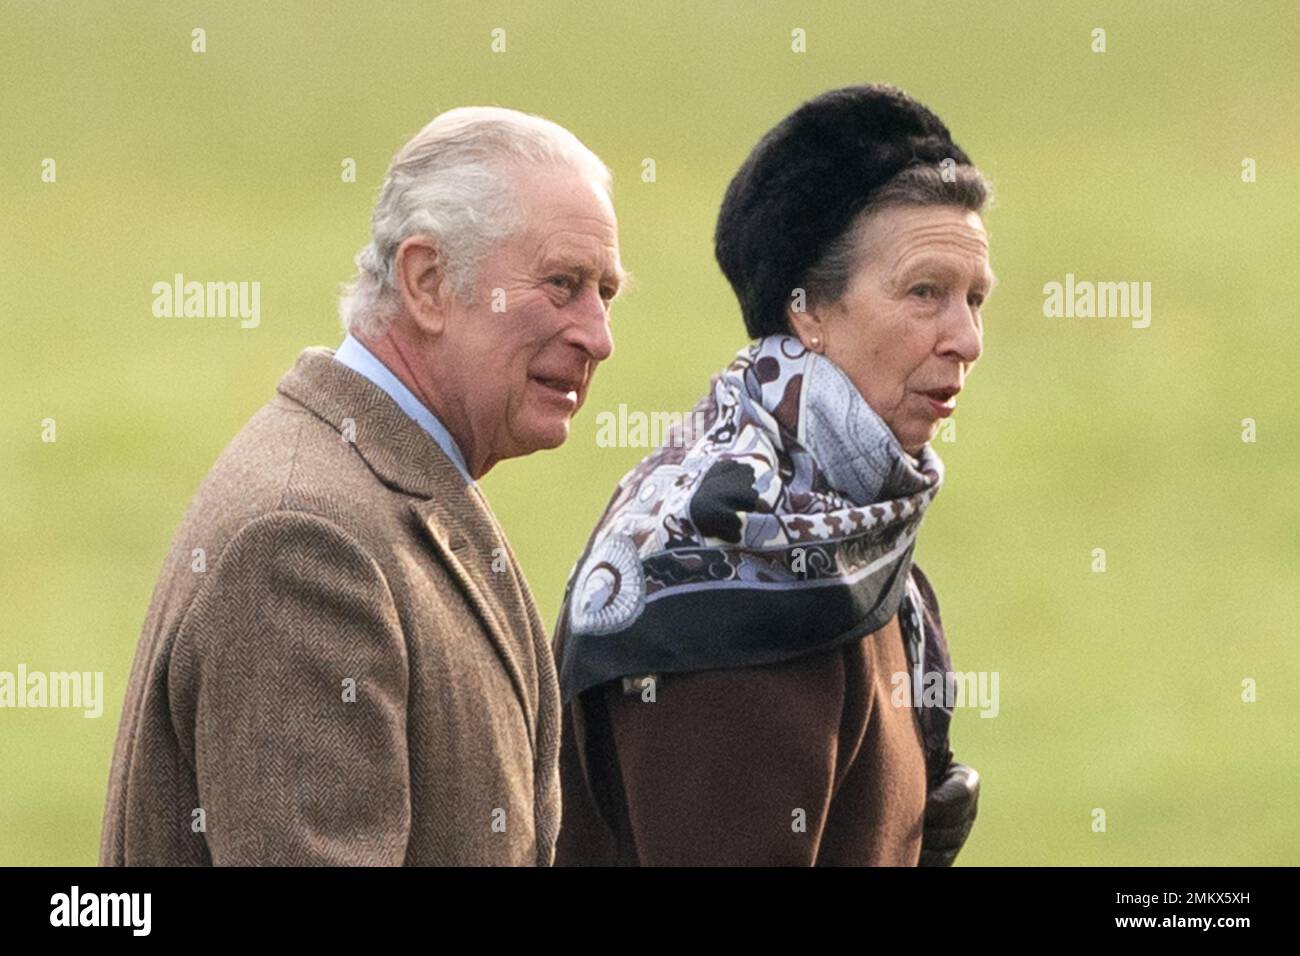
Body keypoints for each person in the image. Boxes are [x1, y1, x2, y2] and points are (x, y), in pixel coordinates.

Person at [100, 106, 627, 865]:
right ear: (427, 282)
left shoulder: (396, 478)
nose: (598, 336)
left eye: (606, 293)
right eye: (562, 284)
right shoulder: (304, 544)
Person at [554, 84, 986, 866]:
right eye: (925, 292)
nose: (966, 338)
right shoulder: (725, 576)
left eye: (973, 298)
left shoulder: (844, 520)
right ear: (808, 312)